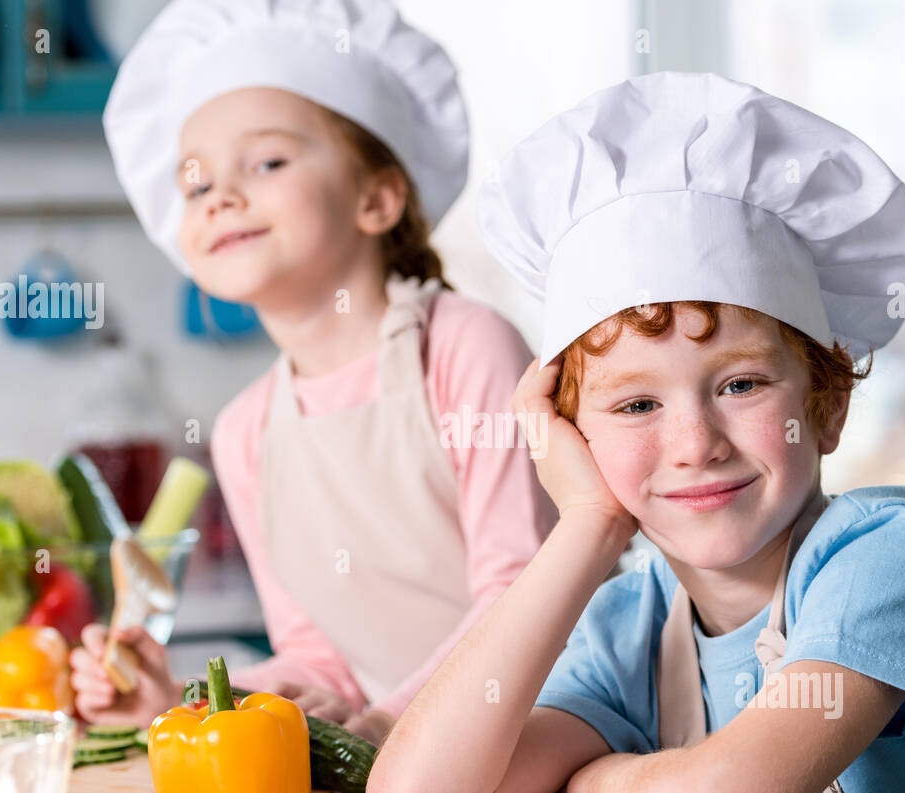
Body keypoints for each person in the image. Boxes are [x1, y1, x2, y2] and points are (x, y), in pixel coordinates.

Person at [366, 71, 905, 793]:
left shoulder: (894, 558)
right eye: (636, 405)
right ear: (571, 434)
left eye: (740, 384)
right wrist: (587, 526)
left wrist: (589, 779)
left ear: (830, 403)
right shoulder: (633, 624)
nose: (695, 442)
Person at [71, 0, 552, 744]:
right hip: (402, 772)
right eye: (196, 185)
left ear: (377, 198)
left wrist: (384, 723)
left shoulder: (465, 347)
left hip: (545, 736)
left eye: (266, 162)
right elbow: (315, 661)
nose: (221, 195)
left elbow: (524, 591)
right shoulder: (245, 430)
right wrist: (178, 701)